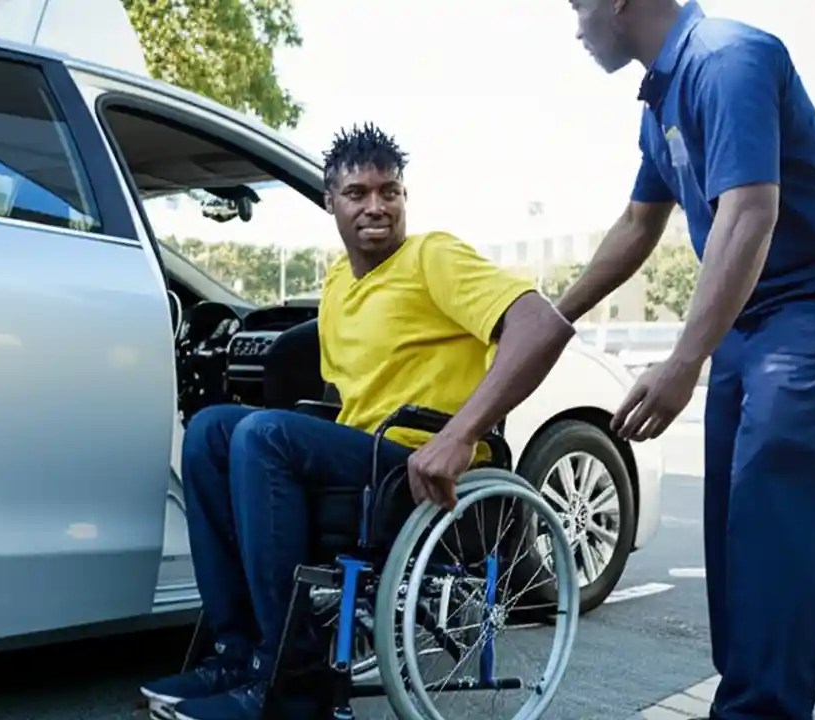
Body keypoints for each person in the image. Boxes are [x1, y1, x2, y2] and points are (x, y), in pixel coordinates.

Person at [140, 123, 574, 720]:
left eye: (389, 191)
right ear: (330, 203)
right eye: (357, 194)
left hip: (418, 467)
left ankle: (294, 687)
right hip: (363, 455)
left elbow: (541, 326)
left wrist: (460, 434)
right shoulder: (339, 284)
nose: (376, 206)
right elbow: (348, 396)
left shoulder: (432, 255)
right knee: (214, 429)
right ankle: (237, 655)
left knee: (264, 435)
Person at [559, 2, 815, 719]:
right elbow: (638, 224)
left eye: (577, 6)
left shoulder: (726, 58)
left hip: (814, 307)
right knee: (733, 536)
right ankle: (747, 700)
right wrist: (555, 316)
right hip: (747, 319)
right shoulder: (661, 98)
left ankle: (758, 709)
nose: (575, 26)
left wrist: (682, 363)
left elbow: (750, 213)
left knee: (773, 527)